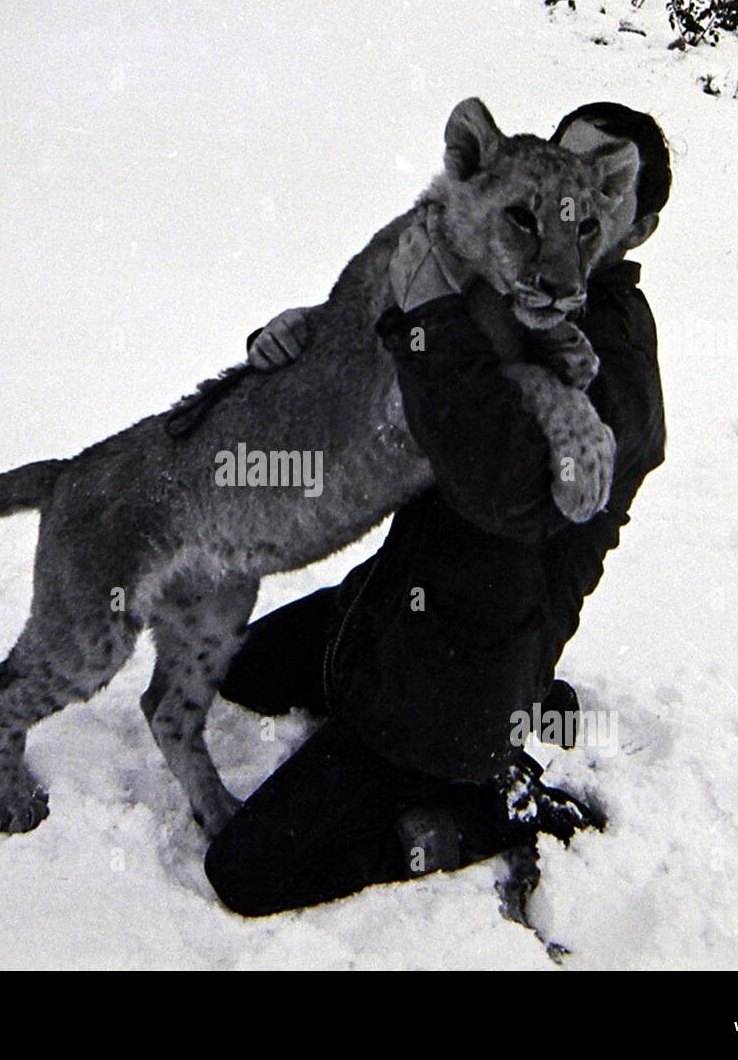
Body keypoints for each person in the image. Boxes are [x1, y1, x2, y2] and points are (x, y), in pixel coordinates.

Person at [197, 103, 671, 918]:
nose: (569, 199)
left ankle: (484, 805)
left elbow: (508, 489)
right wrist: (308, 331)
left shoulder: (619, 356)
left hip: (462, 670)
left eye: (601, 191)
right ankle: (527, 704)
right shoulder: (502, 270)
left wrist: (432, 321)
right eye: (558, 167)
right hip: (392, 601)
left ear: (640, 223)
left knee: (246, 872)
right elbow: (391, 355)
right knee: (234, 665)